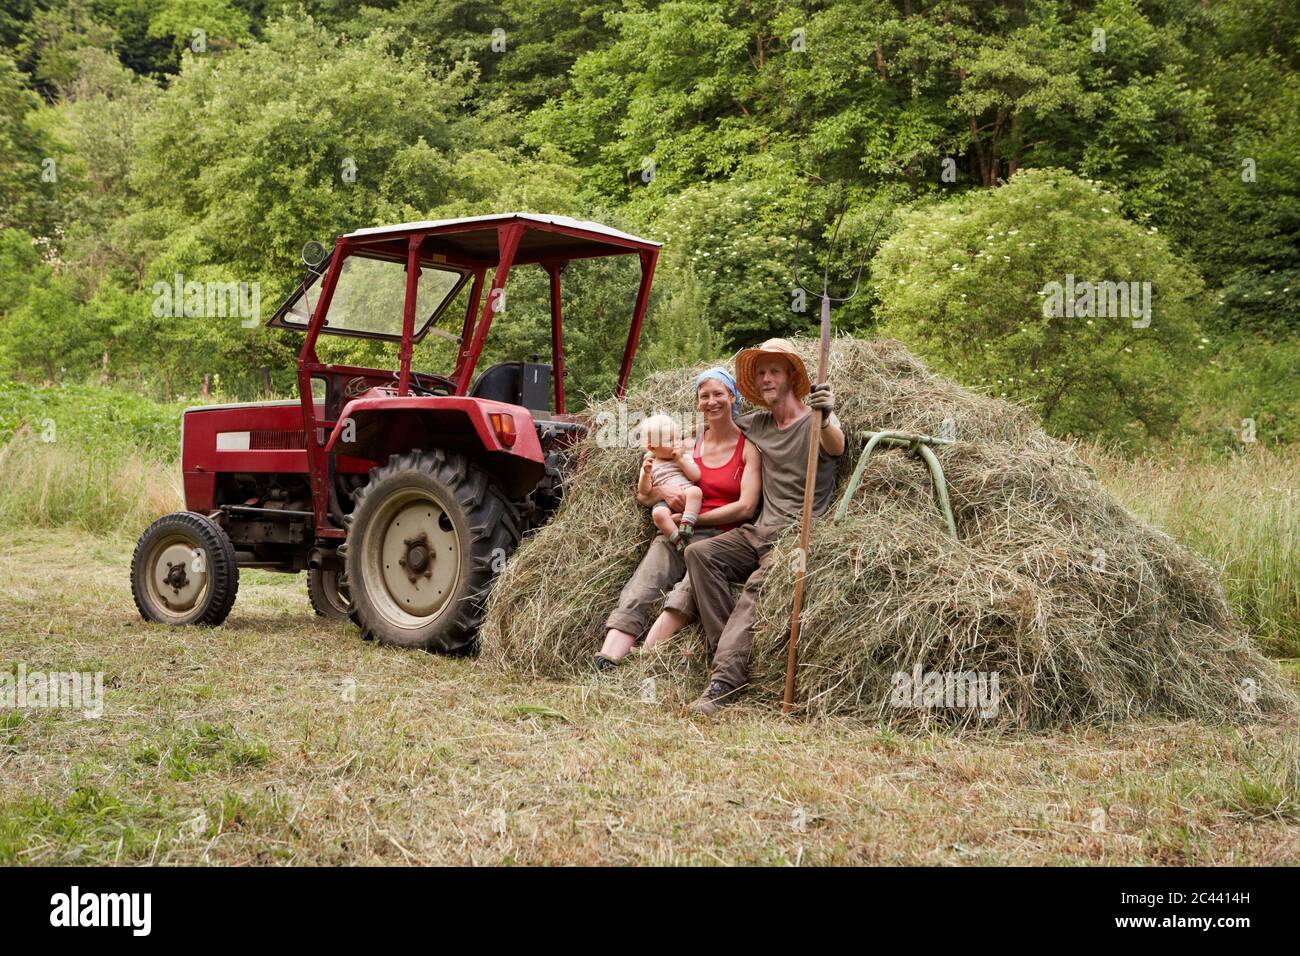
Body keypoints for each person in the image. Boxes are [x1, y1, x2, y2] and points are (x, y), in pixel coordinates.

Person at [683, 338, 844, 716]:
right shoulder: (756, 425)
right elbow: (717, 430)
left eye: (774, 371)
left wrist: (830, 413)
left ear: (791, 376)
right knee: (699, 553)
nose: (766, 378)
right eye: (761, 373)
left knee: (754, 591)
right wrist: (665, 455)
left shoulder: (817, 423)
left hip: (796, 537)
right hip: (758, 530)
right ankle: (731, 657)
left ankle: (722, 683)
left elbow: (836, 446)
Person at [594, 368, 762, 670]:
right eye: (704, 396)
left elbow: (746, 507)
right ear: (697, 402)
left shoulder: (748, 448)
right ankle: (608, 657)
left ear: (733, 397)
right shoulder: (683, 444)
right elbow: (644, 496)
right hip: (675, 528)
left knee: (686, 590)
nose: (711, 401)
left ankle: (644, 660)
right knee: (646, 580)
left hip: (719, 534)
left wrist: (696, 520)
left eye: (719, 394)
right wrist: (663, 489)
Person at [636, 414, 702, 551]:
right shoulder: (650, 464)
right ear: (652, 448)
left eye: (677, 438)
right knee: (658, 514)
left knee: (695, 492)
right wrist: (646, 474)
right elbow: (644, 491)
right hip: (663, 502)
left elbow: (696, 476)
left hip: (686, 492)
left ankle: (687, 524)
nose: (676, 443)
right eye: (669, 440)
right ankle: (677, 539)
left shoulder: (684, 457)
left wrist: (681, 461)